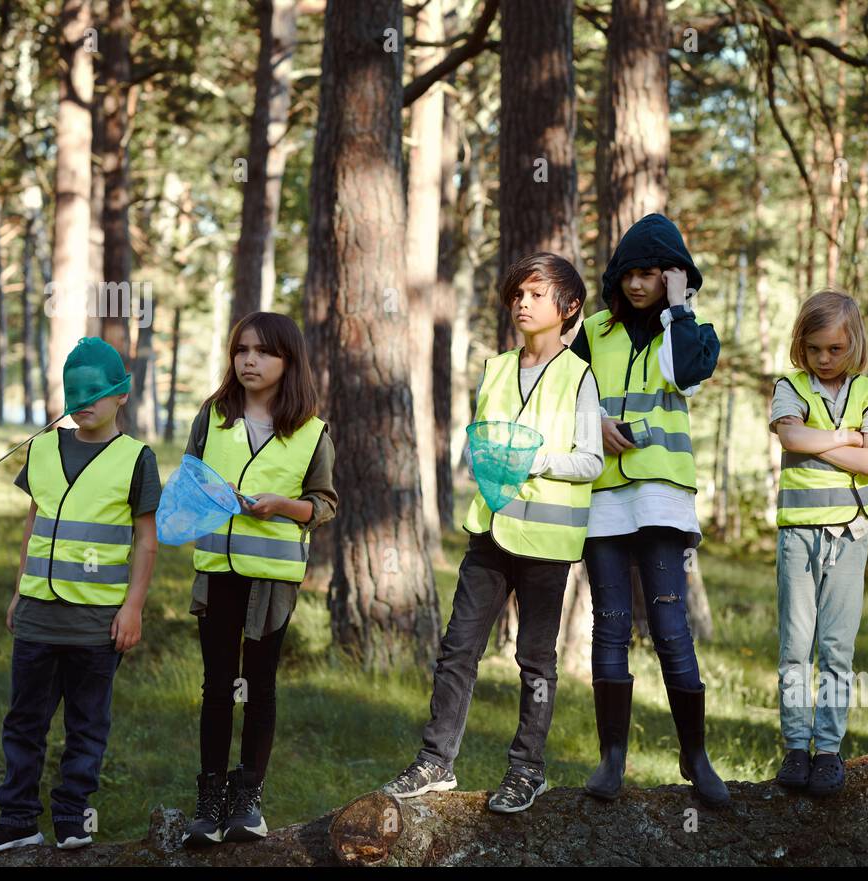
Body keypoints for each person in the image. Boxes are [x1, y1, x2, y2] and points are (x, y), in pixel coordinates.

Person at [381, 252, 602, 813]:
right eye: (517, 295)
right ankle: (435, 763)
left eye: (535, 295)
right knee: (458, 650)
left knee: (535, 660)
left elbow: (591, 461)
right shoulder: (496, 368)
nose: (522, 304)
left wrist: (534, 461)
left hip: (547, 543)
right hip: (490, 533)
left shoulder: (579, 376)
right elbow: (480, 443)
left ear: (569, 307)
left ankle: (527, 770)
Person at [0, 337, 160, 854]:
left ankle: (74, 819)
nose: (84, 402)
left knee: (86, 724)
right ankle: (17, 820)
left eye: (96, 393)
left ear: (121, 395)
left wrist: (133, 606)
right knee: (25, 721)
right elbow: (35, 522)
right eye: (74, 392)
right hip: (36, 613)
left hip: (96, 621)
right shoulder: (41, 449)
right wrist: (18, 593)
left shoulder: (136, 459)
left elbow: (147, 537)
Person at [569, 213, 728, 807]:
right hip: (604, 498)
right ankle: (612, 760)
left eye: (653, 273)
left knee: (669, 626)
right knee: (608, 625)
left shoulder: (690, 331)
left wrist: (679, 305)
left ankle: (696, 756)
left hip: (662, 497)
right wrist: (594, 422)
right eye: (629, 273)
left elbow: (686, 373)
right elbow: (563, 394)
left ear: (674, 277)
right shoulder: (592, 332)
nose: (638, 284)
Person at [180, 311, 338, 847]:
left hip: (273, 579)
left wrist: (283, 506)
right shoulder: (212, 416)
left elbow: (323, 504)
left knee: (260, 687)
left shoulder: (312, 432)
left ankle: (247, 802)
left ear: (288, 362)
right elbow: (188, 480)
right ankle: (208, 802)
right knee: (217, 687)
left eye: (263, 352)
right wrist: (209, 494)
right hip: (218, 574)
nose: (249, 360)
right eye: (242, 350)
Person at [768, 287, 868, 797]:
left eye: (835, 350)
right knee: (796, 645)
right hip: (798, 537)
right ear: (802, 345)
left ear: (854, 344)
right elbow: (792, 439)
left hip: (851, 536)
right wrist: (846, 436)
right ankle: (796, 746)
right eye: (815, 348)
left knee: (836, 647)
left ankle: (827, 750)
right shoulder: (789, 386)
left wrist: (829, 441)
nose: (824, 359)